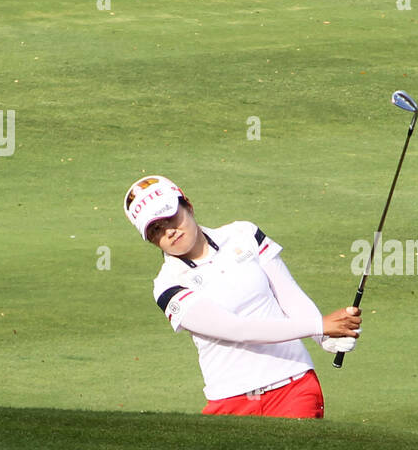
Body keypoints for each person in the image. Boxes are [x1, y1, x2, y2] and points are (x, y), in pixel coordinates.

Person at [123, 175, 361, 418]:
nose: (169, 231)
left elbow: (290, 296)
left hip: (294, 387)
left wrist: (324, 336)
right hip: (230, 401)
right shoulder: (167, 285)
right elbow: (238, 329)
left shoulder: (244, 233)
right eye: (156, 229)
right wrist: (319, 325)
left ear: (188, 205)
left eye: (170, 216)